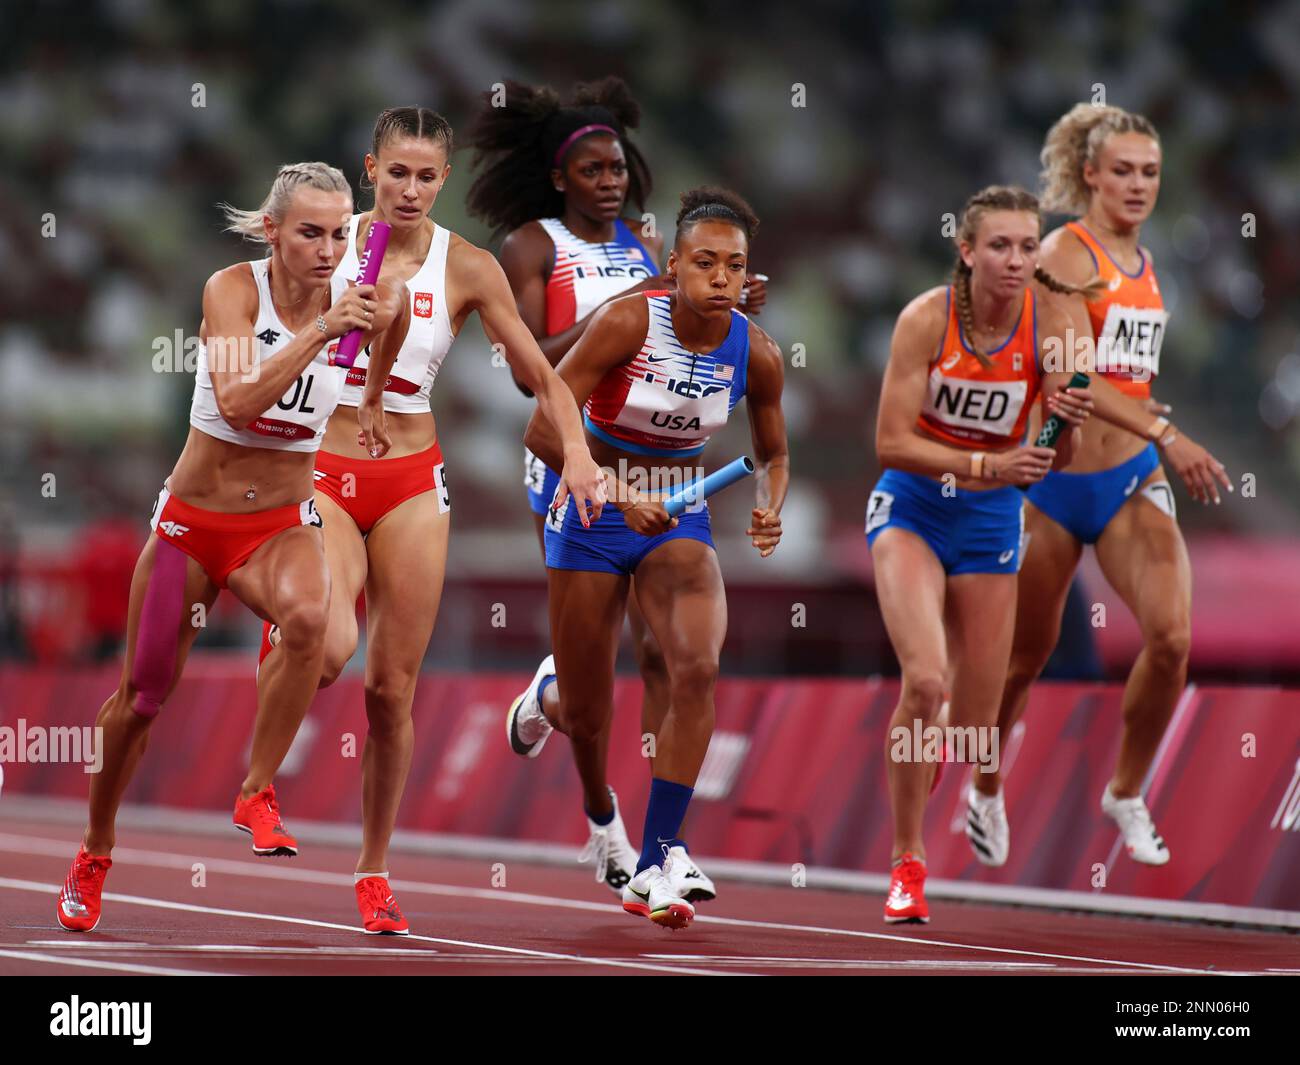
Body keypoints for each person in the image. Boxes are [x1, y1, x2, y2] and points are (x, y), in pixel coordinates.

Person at [254, 107, 610, 936]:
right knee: (333, 645)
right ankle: (284, 677)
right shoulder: (327, 246)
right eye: (396, 173)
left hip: (413, 477)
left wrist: (581, 454)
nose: (409, 190)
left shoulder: (469, 266)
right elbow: (255, 327)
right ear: (370, 167)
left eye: (426, 176)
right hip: (326, 469)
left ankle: (373, 868)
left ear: (443, 181)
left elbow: (543, 375)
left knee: (392, 691)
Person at [57, 162, 405, 931]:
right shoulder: (231, 290)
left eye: (341, 233)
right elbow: (243, 400)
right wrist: (324, 329)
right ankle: (94, 848)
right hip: (193, 523)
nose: (328, 248)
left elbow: (400, 315)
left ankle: (255, 789)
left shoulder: (362, 292)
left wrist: (374, 387)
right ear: (273, 230)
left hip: (277, 524)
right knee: (142, 698)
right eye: (311, 232)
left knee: (314, 624)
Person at [468, 78, 768, 900]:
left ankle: (662, 845)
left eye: (619, 167)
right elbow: (532, 364)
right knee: (591, 677)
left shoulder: (646, 240)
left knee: (667, 653)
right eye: (594, 169)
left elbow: (677, 324)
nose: (611, 180)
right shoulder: (531, 245)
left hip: (655, 472)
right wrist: (632, 306)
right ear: (561, 176)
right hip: (564, 457)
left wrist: (722, 305)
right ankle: (600, 809)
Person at [508, 187, 788, 929]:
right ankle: (547, 705)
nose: (722, 277)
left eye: (735, 265)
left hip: (678, 514)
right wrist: (615, 487)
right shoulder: (630, 321)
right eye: (705, 262)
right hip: (592, 509)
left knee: (694, 665)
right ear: (672, 266)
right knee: (589, 713)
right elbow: (542, 428)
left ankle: (660, 855)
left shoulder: (756, 352)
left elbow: (775, 452)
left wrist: (771, 504)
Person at [966, 106, 1232, 870]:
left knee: (1173, 637)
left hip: (1127, 482)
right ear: (1089, 173)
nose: (1138, 184)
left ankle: (1125, 789)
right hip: (1053, 485)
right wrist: (1168, 433)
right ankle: (985, 783)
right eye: (1122, 170)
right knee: (1025, 658)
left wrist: (1148, 428)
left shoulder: (1150, 267)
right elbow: (1073, 374)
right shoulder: (1062, 254)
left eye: (1150, 172)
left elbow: (1126, 373)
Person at [868, 185, 1096, 923]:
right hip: (914, 507)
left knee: (971, 717)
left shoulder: (1053, 324)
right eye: (1000, 246)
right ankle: (908, 862)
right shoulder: (926, 319)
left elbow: (1063, 458)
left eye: (1030, 246)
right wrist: (986, 466)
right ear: (966, 252)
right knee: (926, 682)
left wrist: (1064, 427)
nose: (1016, 260)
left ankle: (969, 785)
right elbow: (891, 440)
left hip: (993, 523)